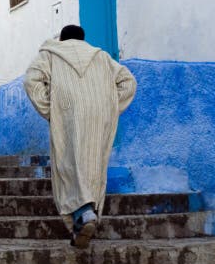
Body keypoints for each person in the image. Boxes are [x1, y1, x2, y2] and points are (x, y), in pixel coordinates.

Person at [23, 25, 136, 249]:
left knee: (68, 163)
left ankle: (83, 214)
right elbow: (128, 82)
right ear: (83, 40)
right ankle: (83, 216)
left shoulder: (50, 54)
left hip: (67, 112)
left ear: (62, 39)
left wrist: (49, 108)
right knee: (92, 164)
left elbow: (32, 80)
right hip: (97, 116)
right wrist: (110, 107)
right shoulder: (101, 56)